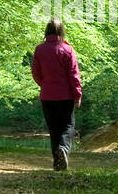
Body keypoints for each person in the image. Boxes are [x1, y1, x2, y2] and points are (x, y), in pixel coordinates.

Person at [31, 18, 82, 171]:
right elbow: (74, 75)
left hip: (47, 96)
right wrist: (77, 95)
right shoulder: (68, 50)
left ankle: (57, 163)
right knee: (67, 126)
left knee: (54, 129)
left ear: (47, 31)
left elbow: (35, 73)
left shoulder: (40, 49)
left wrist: (45, 85)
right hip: (65, 96)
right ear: (61, 32)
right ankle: (64, 150)